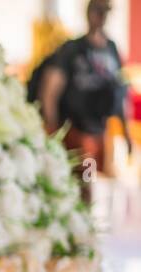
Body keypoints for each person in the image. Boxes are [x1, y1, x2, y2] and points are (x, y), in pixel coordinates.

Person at [38, 0, 133, 198]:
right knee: (83, 184)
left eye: (106, 11)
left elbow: (119, 92)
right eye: (98, 11)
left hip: (100, 130)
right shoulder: (73, 49)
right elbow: (50, 89)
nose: (101, 16)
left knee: (101, 182)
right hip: (78, 131)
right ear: (89, 12)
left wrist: (125, 132)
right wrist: (52, 129)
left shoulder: (111, 49)